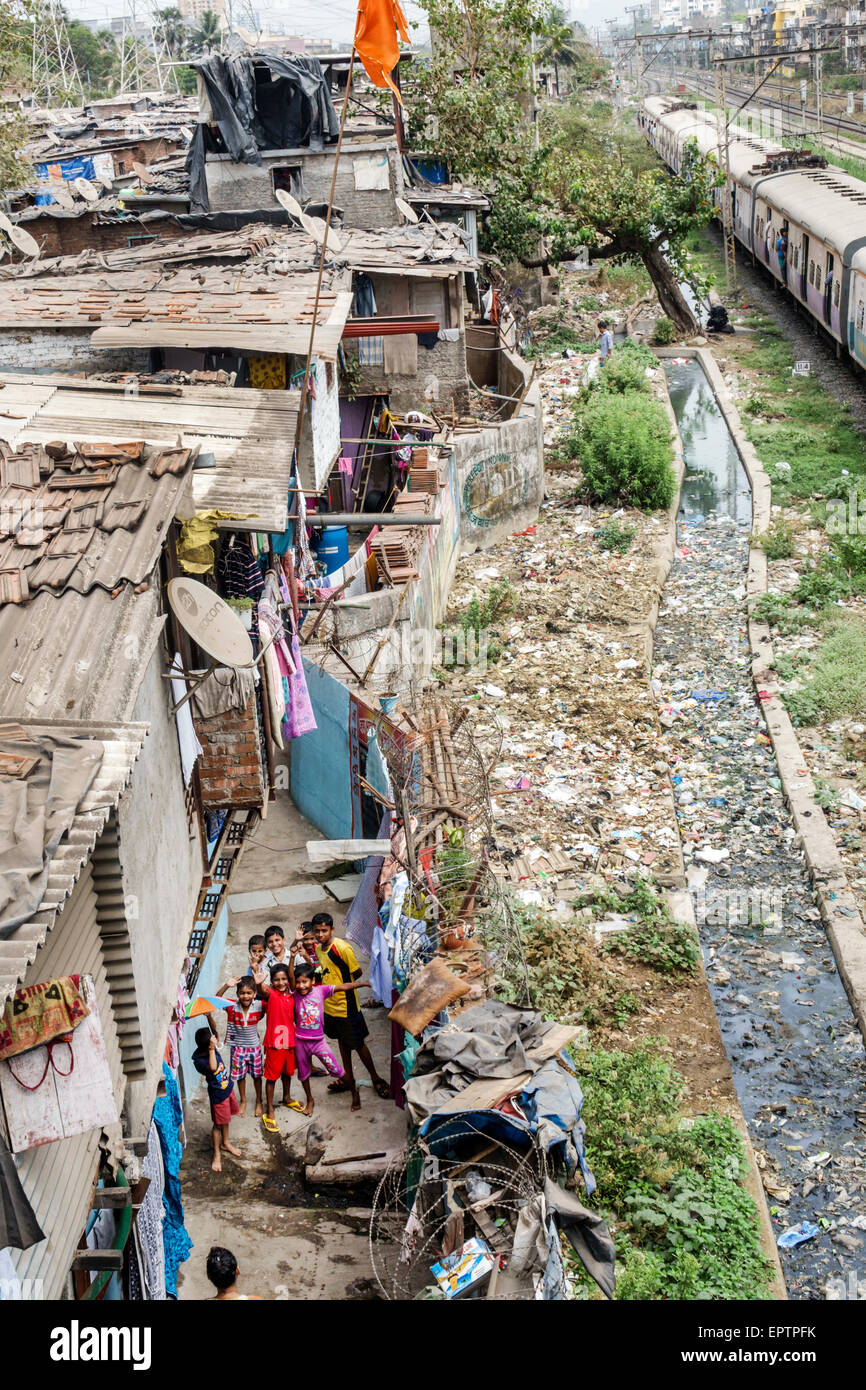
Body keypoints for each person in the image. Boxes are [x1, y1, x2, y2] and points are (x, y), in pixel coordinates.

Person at [313, 912, 390, 1111]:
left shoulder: (341, 948)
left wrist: (342, 985)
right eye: (317, 931)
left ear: (331, 930)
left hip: (347, 1006)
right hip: (330, 1007)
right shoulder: (318, 949)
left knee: (358, 1043)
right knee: (342, 1041)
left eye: (324, 930)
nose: (320, 934)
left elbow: (356, 972)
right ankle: (350, 1079)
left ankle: (375, 1077)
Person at [292, 964, 369, 1115]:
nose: (301, 986)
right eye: (298, 982)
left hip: (318, 1042)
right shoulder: (295, 994)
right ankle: (310, 1100)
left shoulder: (321, 991)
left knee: (337, 1070)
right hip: (301, 1042)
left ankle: (354, 1092)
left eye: (305, 982)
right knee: (303, 1074)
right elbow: (289, 977)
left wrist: (363, 984)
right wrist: (293, 957)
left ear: (313, 980)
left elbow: (344, 987)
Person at [192, 1027, 242, 1172]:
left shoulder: (210, 1048)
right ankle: (217, 1154)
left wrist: (210, 1018)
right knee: (217, 1126)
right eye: (212, 1040)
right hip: (218, 1095)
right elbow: (213, 1068)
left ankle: (226, 1143)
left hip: (226, 1089)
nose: (215, 1039)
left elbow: (215, 1032)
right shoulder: (200, 1060)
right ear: (207, 1045)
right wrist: (212, 1049)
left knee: (225, 1120)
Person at [216, 975, 265, 1118]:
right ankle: (243, 1100)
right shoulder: (232, 1006)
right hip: (237, 1049)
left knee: (257, 1076)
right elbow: (218, 999)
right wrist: (227, 985)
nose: (246, 996)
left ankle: (259, 1101)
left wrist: (261, 985)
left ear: (254, 994)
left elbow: (272, 1001)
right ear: (237, 994)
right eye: (242, 993)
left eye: (249, 993)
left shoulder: (259, 1005)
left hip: (254, 1048)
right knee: (240, 1076)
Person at [258, 963, 298, 1130]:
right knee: (272, 1077)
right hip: (275, 1043)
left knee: (288, 1073)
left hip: (289, 1041)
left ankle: (287, 1097)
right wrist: (259, 982)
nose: (281, 983)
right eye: (276, 980)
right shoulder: (271, 995)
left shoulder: (292, 996)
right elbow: (263, 991)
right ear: (272, 982)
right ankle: (270, 1108)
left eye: (284, 979)